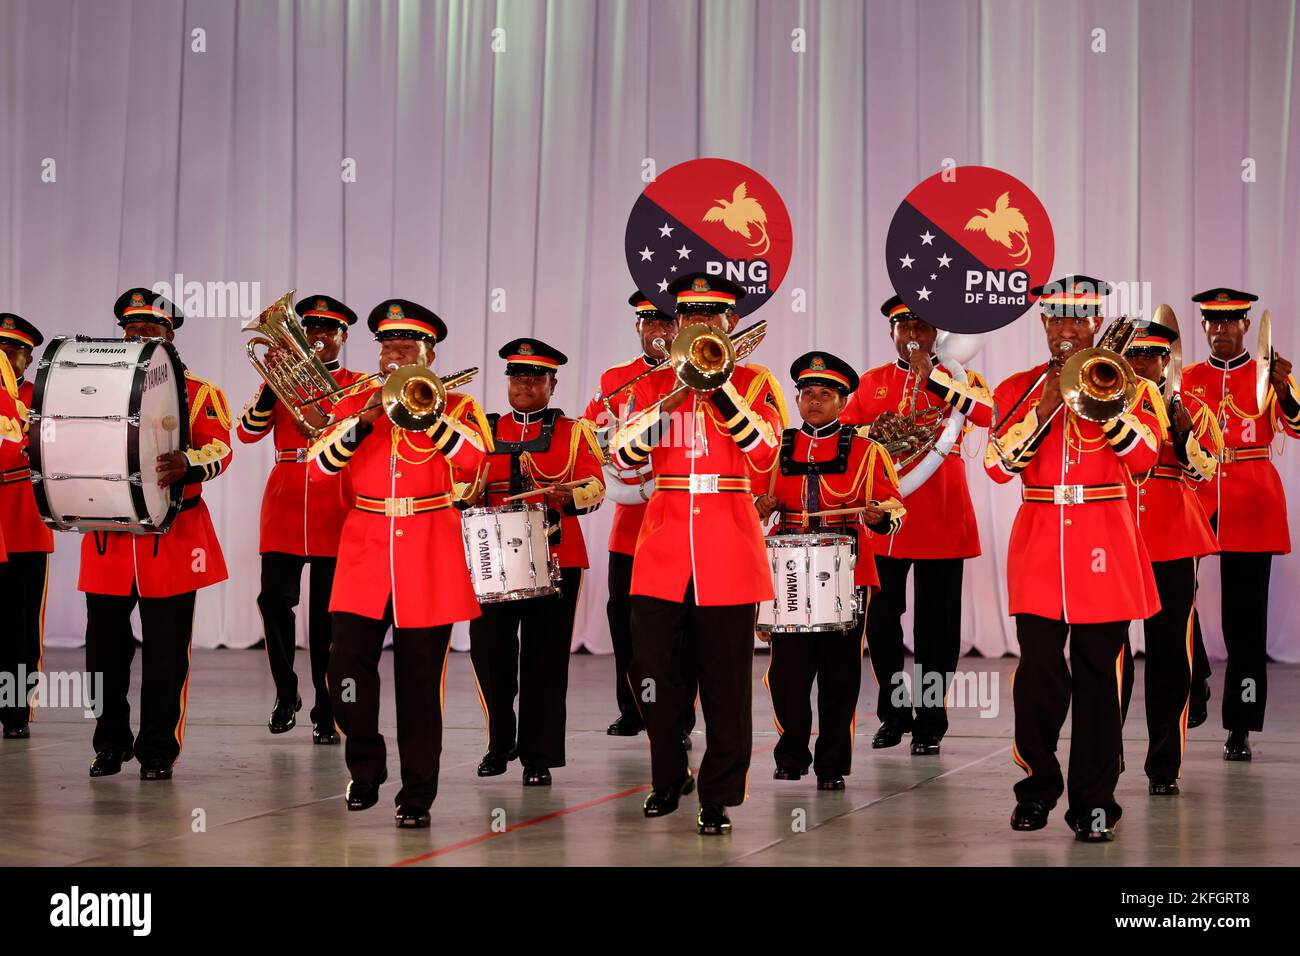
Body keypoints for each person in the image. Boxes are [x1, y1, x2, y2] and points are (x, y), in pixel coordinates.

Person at [610, 273, 787, 835]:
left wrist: (723, 388)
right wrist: (676, 395)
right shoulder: (651, 386)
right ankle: (667, 777)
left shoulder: (757, 382)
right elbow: (624, 458)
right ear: (678, 324)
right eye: (691, 317)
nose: (701, 325)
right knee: (653, 673)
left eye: (713, 316)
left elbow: (765, 454)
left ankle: (718, 795)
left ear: (731, 324)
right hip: (661, 546)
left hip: (729, 546)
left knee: (726, 681)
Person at [985, 275, 1160, 842]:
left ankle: (1094, 802)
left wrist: (1103, 405)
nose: (1066, 330)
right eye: (1056, 319)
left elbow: (1146, 459)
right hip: (1039, 543)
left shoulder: (1131, 385)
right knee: (1038, 674)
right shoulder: (1016, 387)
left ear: (1093, 325)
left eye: (1077, 320)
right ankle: (1036, 788)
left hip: (1105, 542)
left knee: (1099, 680)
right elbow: (996, 465)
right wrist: (1044, 407)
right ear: (1043, 325)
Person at [310, 299, 491, 828]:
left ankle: (417, 794)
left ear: (428, 355)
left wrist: (430, 419)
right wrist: (362, 424)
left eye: (405, 348)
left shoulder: (455, 405)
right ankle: (365, 765)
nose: (393, 356)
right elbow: (320, 469)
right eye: (387, 347)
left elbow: (476, 461)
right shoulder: (355, 403)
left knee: (419, 684)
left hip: (429, 550)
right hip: (364, 546)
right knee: (343, 665)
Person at [82, 289, 232, 781]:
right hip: (109, 541)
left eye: (151, 328)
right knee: (103, 653)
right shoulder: (92, 387)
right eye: (132, 328)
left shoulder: (201, 392)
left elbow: (221, 449)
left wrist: (189, 462)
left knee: (167, 655)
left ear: (170, 337)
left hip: (173, 539)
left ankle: (157, 750)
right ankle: (109, 744)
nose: (139, 335)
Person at [841, 295, 993, 755]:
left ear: (936, 334)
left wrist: (937, 380)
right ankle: (893, 712)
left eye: (922, 328)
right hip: (886, 523)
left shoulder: (961, 379)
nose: (912, 336)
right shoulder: (870, 383)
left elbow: (987, 414)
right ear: (891, 332)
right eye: (903, 327)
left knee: (938, 630)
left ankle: (930, 721)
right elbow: (845, 437)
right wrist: (876, 435)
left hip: (943, 519)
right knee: (881, 623)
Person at [754, 351, 905, 790]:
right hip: (788, 570)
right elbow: (749, 503)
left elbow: (895, 505)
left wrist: (879, 516)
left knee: (841, 674)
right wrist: (759, 506)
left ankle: (832, 763)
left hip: (848, 568)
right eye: (807, 393)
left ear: (843, 402)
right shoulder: (777, 448)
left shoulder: (867, 450)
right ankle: (791, 754)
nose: (814, 401)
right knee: (786, 673)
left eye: (826, 394)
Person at [469, 338, 605, 786]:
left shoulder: (574, 430)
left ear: (553, 384)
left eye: (534, 377)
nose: (524, 384)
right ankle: (498, 741)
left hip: (557, 555)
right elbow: (460, 483)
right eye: (516, 376)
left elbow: (595, 487)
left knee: (545, 660)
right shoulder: (483, 428)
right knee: (489, 653)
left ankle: (538, 755)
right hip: (492, 559)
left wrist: (573, 495)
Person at [237, 294, 367, 744]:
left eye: (328, 331)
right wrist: (271, 387)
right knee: (274, 601)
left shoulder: (355, 384)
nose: (318, 339)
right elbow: (247, 433)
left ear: (343, 338)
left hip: (336, 499)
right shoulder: (279, 380)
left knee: (327, 616)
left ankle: (325, 707)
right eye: (310, 330)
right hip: (287, 496)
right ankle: (285, 692)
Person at [1182, 288, 1300, 760]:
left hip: (1252, 498)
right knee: (1173, 607)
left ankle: (1242, 724)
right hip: (1194, 496)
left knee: (1245, 621)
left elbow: (1297, 425)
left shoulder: (1270, 373)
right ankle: (1195, 684)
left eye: (1231, 321)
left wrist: (1284, 387)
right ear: (1204, 327)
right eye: (1213, 321)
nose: (1222, 329)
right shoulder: (1186, 377)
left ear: (1247, 326)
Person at [581, 292, 697, 745]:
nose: (659, 332)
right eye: (650, 323)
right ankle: (632, 708)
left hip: (680, 521)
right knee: (624, 620)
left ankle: (679, 715)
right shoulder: (616, 378)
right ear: (638, 328)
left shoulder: (697, 374)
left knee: (680, 626)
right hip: (630, 526)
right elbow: (591, 435)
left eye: (667, 323)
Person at [1118, 321, 1221, 795]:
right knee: (1110, 654)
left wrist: (1183, 438)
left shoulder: (1192, 409)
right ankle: (1106, 753)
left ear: (1165, 362)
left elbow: (1206, 472)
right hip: (1117, 536)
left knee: (1169, 656)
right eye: (1133, 355)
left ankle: (1164, 765)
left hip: (1175, 538)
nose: (1140, 364)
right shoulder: (1105, 401)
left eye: (1150, 357)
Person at [0, 314, 54, 739]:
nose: (3, 358)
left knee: (21, 621)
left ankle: (16, 711)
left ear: (26, 359)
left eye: (10, 352)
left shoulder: (39, 398)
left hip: (22, 512)